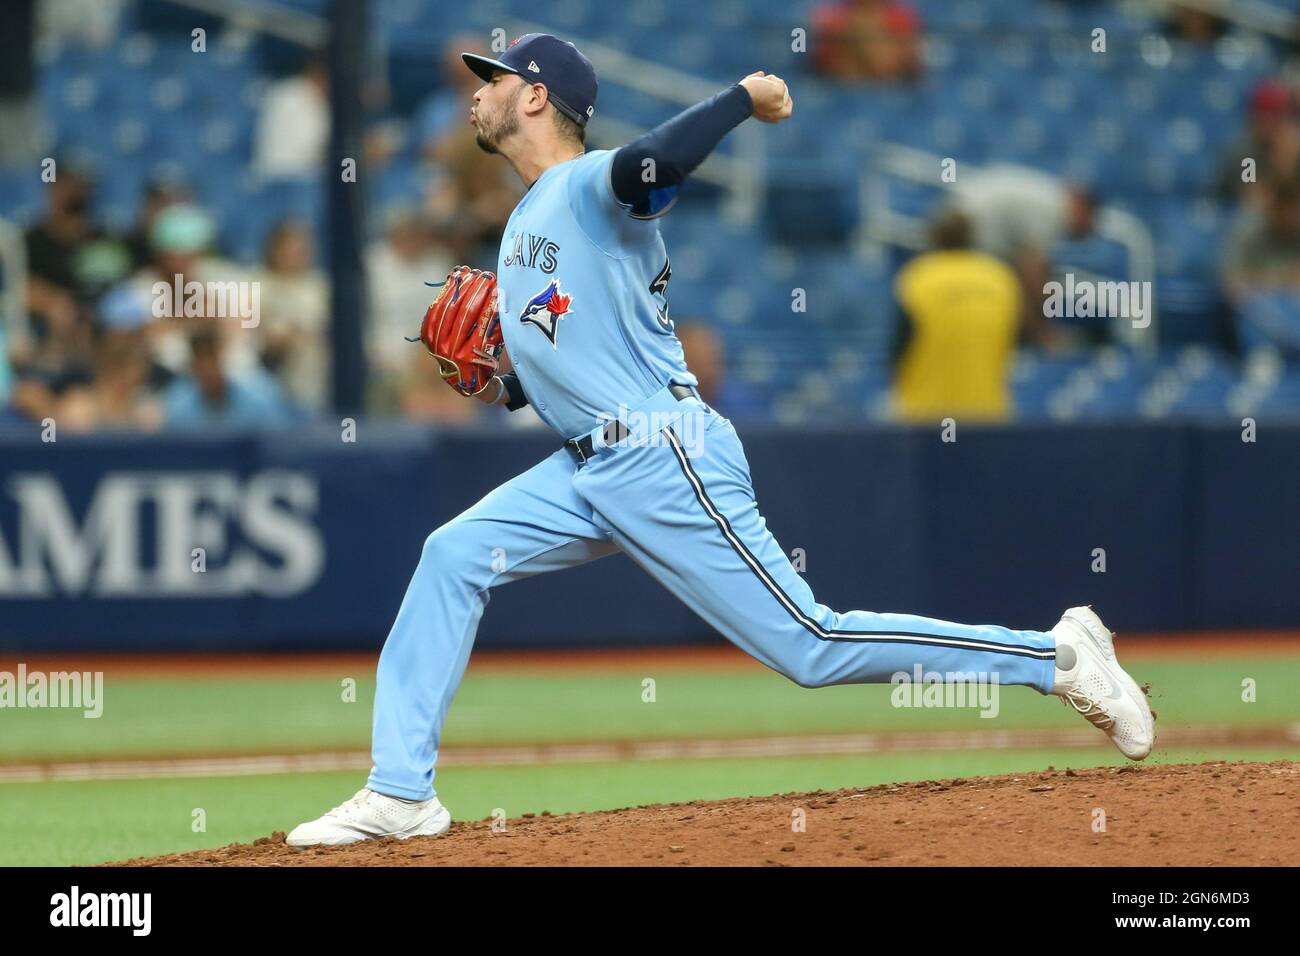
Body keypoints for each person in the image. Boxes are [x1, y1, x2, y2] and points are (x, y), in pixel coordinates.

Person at [287, 34, 1155, 847]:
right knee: (453, 554)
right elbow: (569, 358)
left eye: (496, 78)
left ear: (537, 97)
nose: (480, 91)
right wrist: (510, 380)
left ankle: (1059, 655)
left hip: (660, 454)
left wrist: (741, 96)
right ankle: (402, 791)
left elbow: (650, 165)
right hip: (587, 465)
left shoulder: (589, 185)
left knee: (811, 646)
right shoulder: (527, 220)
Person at [891, 210, 1021, 422]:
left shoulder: (918, 278)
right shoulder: (1000, 279)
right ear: (973, 238)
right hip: (987, 413)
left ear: (935, 238)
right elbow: (1013, 340)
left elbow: (898, 347)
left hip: (926, 414)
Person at [952, 164, 1097, 347]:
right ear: (1080, 205)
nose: (1090, 227)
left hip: (963, 214)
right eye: (1090, 217)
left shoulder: (1049, 195)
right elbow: (1031, 271)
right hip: (973, 228)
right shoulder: (1054, 209)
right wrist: (1042, 329)